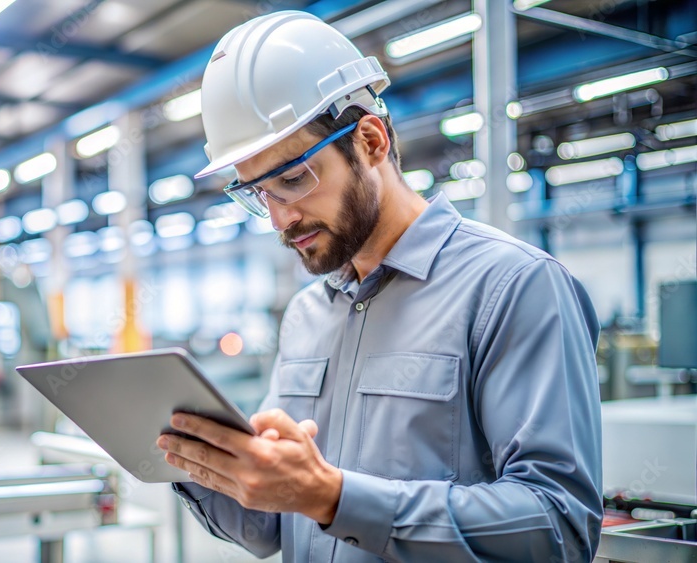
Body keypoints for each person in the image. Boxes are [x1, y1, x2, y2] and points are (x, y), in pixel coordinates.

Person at [156, 10, 603, 563]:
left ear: (370, 139)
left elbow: (559, 528)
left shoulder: (513, 288)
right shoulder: (305, 316)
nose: (279, 219)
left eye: (293, 179)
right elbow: (270, 527)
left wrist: (336, 498)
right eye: (258, 193)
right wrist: (195, 461)